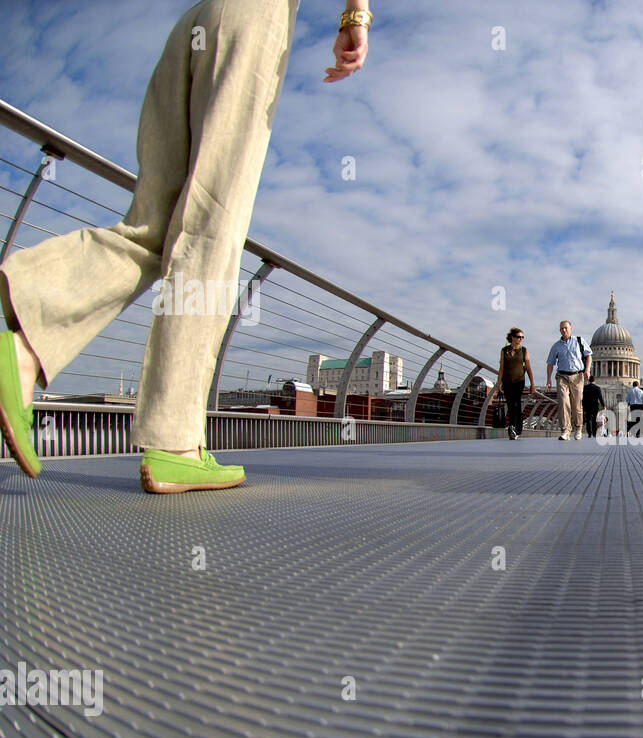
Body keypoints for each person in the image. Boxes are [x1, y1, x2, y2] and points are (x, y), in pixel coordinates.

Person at [0, 1, 373, 493]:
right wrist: (355, 18)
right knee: (213, 226)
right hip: (253, 21)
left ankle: (23, 342)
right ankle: (175, 442)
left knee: (153, 226)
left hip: (194, 23)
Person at [544, 320, 591, 440]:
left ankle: (578, 427)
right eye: (561, 329)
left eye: (566, 328)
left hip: (577, 376)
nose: (563, 330)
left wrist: (587, 370)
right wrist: (548, 379)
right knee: (563, 402)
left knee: (576, 404)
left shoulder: (579, 341)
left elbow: (588, 355)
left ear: (571, 328)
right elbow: (550, 363)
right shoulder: (556, 346)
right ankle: (565, 430)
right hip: (562, 376)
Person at [495, 327, 535, 440]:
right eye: (519, 337)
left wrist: (532, 383)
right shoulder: (504, 350)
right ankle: (516, 428)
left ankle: (513, 427)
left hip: (519, 381)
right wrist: (499, 383)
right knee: (510, 404)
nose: (521, 339)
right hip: (507, 381)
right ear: (512, 337)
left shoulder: (524, 350)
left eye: (522, 337)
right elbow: (501, 367)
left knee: (516, 403)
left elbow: (528, 367)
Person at [582, 375, 605, 439]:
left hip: (587, 406)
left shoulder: (585, 387)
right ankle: (594, 433)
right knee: (594, 420)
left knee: (588, 420)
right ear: (594, 380)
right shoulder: (597, 388)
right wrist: (603, 405)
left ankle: (589, 433)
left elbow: (583, 398)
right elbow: (600, 398)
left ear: (589, 380)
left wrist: (582, 405)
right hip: (595, 406)